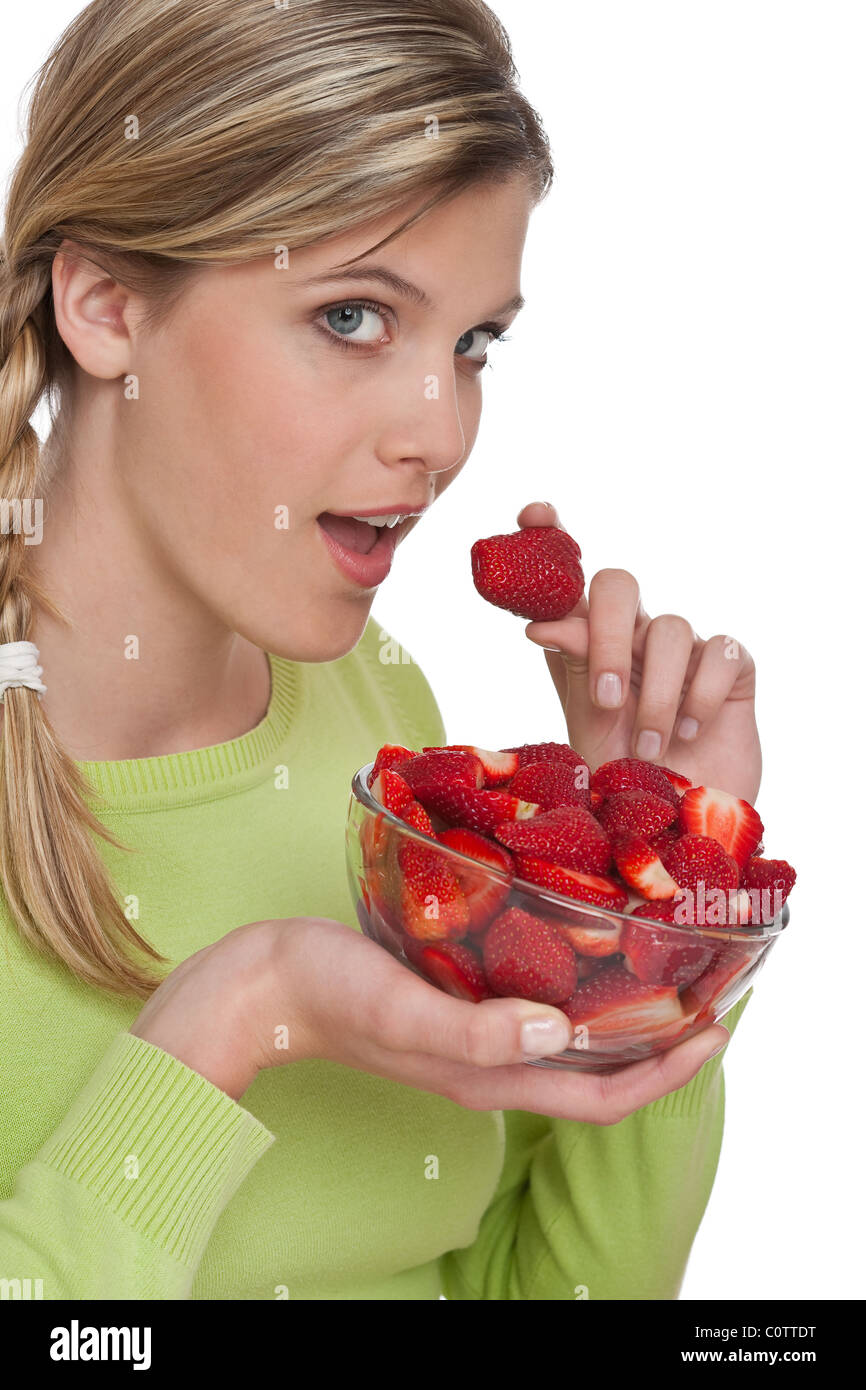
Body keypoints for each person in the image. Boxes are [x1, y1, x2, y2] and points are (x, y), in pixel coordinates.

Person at [0, 0, 758, 1300]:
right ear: (107, 305)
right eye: (353, 317)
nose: (441, 435)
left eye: (471, 344)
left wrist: (645, 927)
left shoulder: (376, 703)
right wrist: (231, 1021)